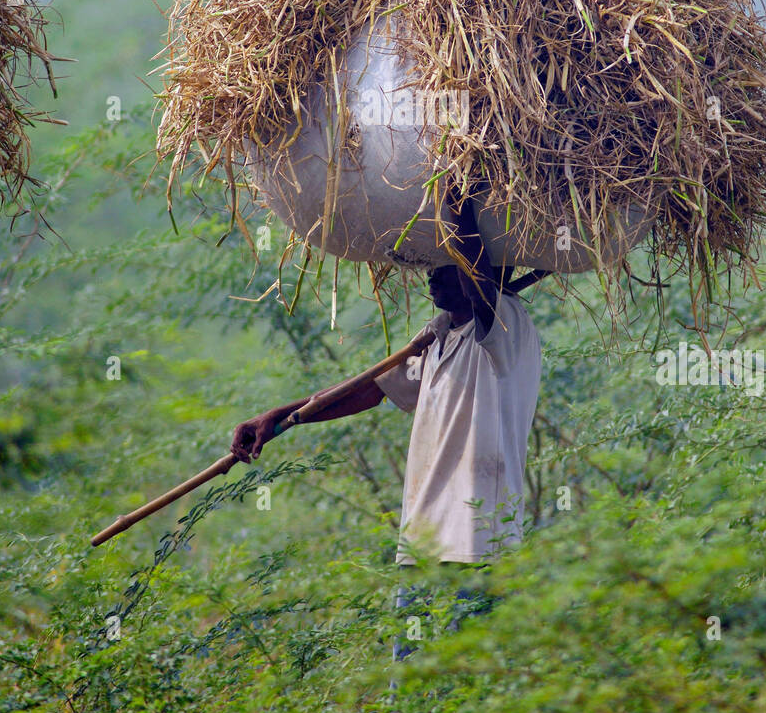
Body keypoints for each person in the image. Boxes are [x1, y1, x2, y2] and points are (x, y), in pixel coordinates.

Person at [230, 187, 543, 646]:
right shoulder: (437, 338)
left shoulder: (506, 326)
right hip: (421, 546)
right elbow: (367, 392)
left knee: (470, 690)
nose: (432, 275)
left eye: (445, 263)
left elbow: (478, 271)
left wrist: (459, 194)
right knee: (411, 691)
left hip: (479, 543)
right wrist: (275, 420)